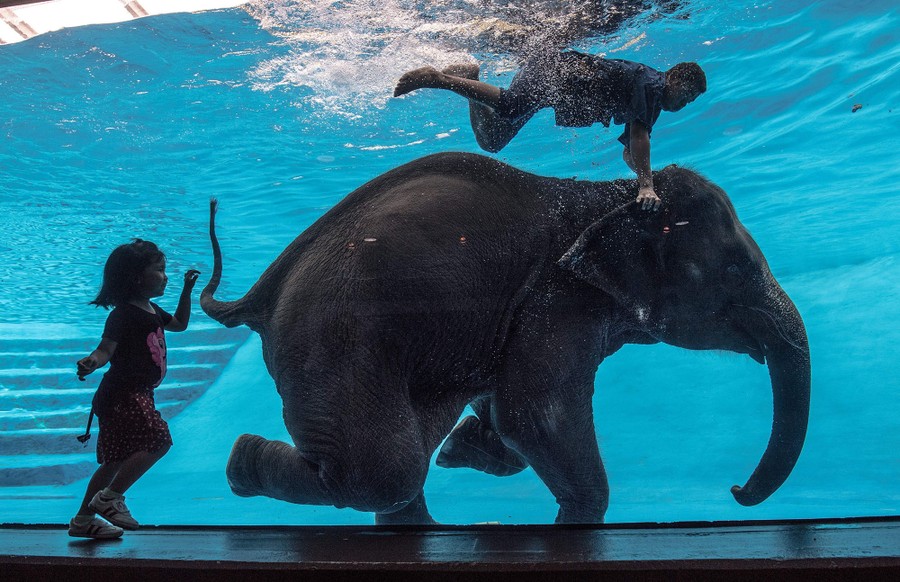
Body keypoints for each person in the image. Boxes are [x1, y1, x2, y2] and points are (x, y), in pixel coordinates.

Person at [394, 52, 706, 210]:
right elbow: (639, 138)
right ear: (675, 78)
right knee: (512, 105)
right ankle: (436, 78)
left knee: (491, 140)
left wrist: (649, 181)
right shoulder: (653, 87)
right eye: (687, 95)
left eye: (691, 101)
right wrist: (646, 186)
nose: (684, 103)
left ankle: (467, 77)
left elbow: (630, 152)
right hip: (555, 71)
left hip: (553, 85)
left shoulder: (649, 97)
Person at [68, 239, 200, 539]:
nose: (165, 276)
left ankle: (82, 519)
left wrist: (187, 290)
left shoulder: (150, 308)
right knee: (158, 440)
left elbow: (179, 324)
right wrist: (91, 361)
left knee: (114, 460)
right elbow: (105, 350)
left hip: (135, 393)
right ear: (136, 277)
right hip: (123, 393)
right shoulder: (123, 314)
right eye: (160, 270)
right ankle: (110, 497)